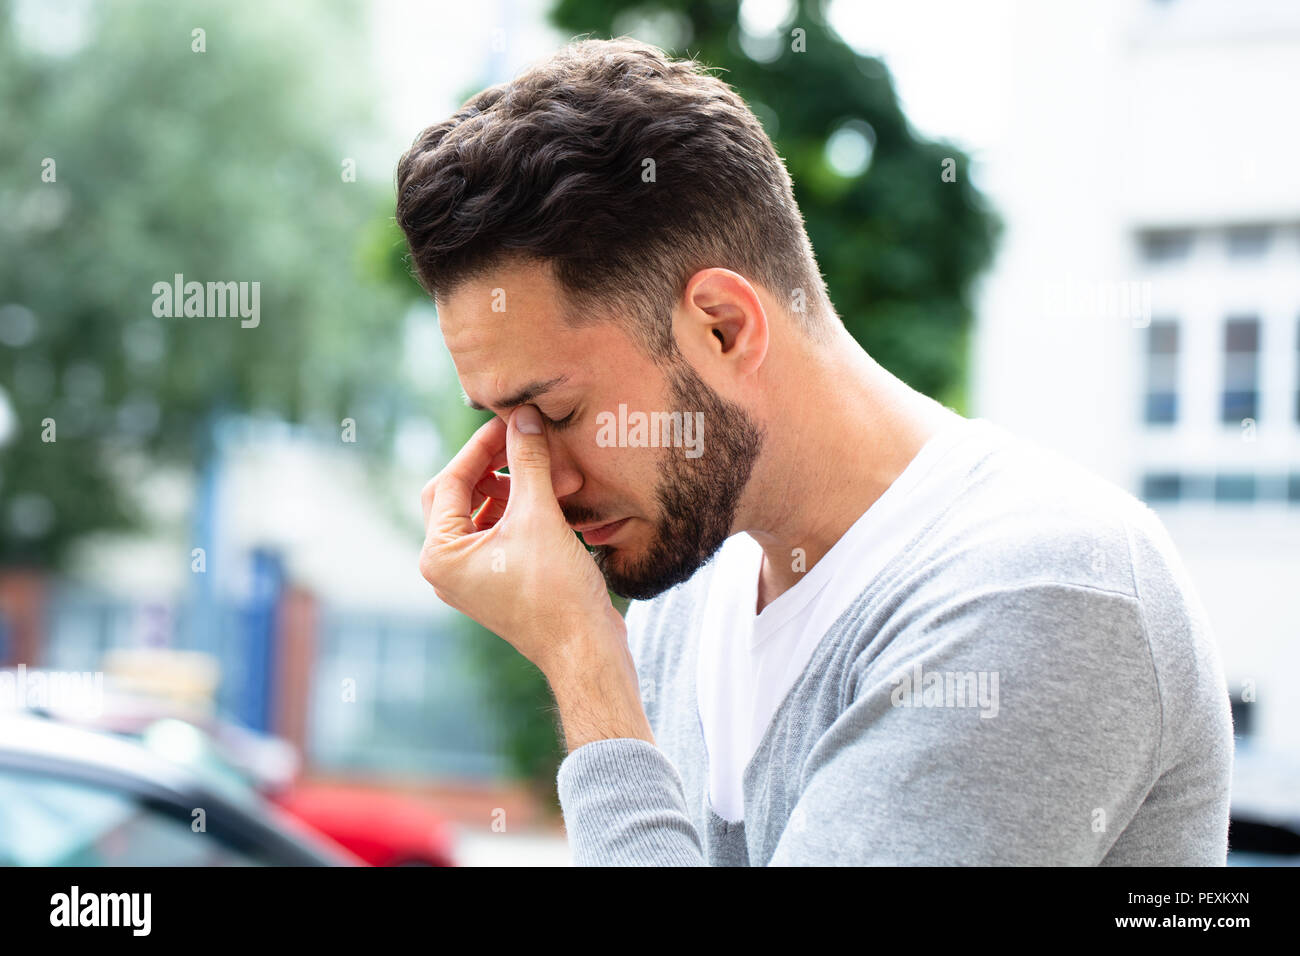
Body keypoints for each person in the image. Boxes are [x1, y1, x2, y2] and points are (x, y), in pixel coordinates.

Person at [395, 37, 1233, 865]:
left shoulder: (1036, 591)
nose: (542, 479)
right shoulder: (682, 598)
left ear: (722, 327)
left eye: (557, 412)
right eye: (506, 424)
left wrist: (584, 662)